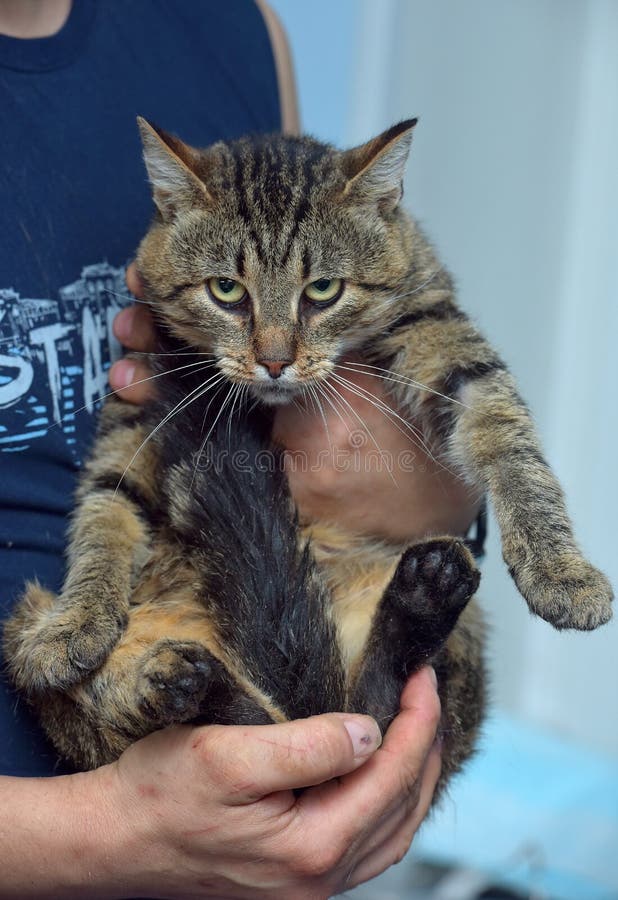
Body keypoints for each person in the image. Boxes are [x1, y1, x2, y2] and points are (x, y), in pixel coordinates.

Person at [0, 1, 479, 895]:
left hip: (318, 677)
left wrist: (440, 492)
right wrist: (110, 832)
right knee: (50, 643)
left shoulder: (238, 29)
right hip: (127, 730)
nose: (270, 343)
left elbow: (345, 383)